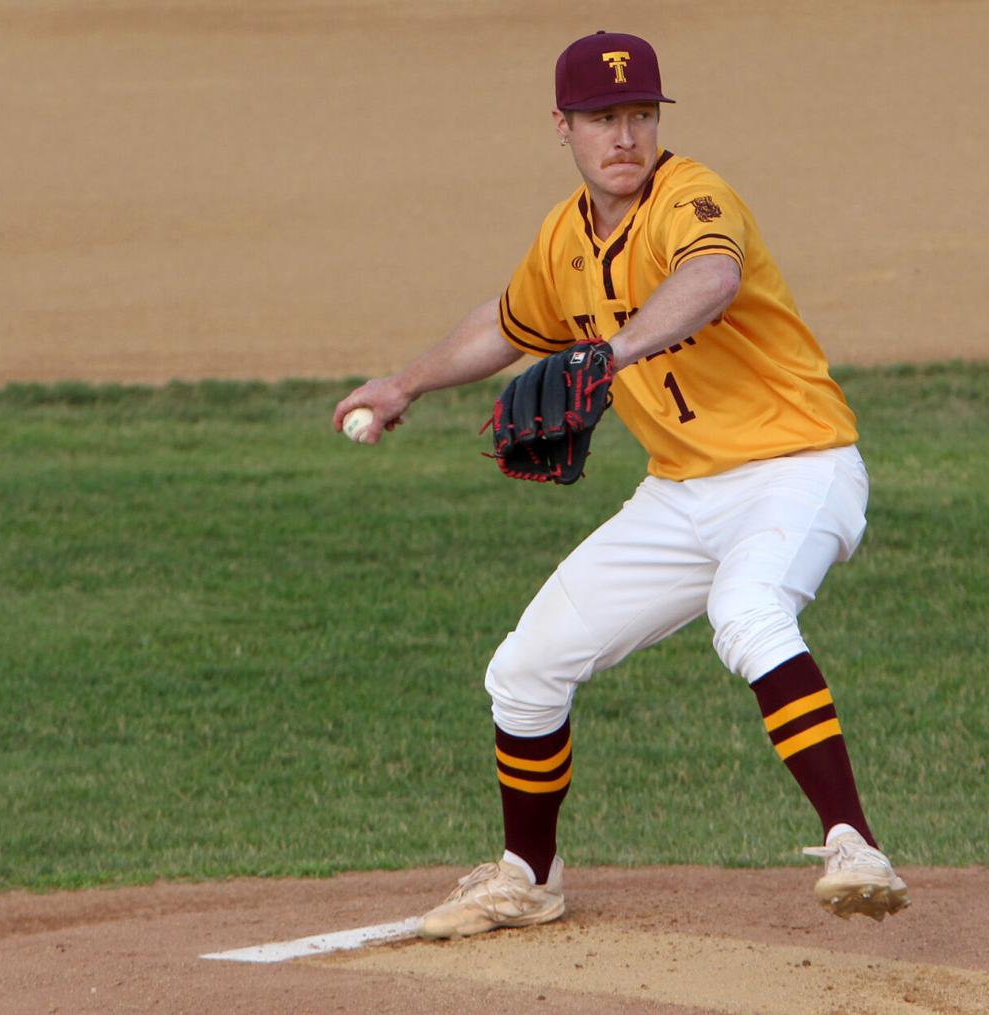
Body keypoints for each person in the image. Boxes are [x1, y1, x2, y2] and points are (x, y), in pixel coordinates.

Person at [332, 30, 910, 940]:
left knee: (748, 611)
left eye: (640, 114)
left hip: (796, 468)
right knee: (524, 670)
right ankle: (527, 877)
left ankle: (854, 845)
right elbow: (508, 323)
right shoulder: (564, 236)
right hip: (681, 492)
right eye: (603, 118)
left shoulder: (693, 198)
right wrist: (406, 383)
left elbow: (711, 277)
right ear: (562, 126)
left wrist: (610, 350)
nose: (625, 136)